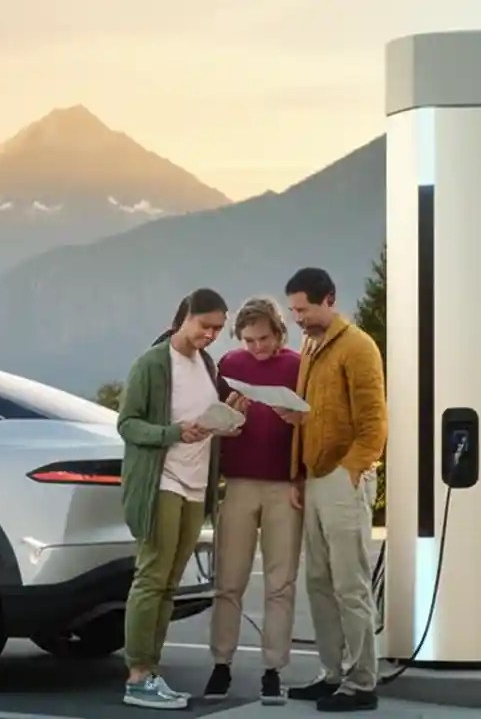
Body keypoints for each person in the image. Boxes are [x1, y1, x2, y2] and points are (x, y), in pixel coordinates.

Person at [117, 287, 230, 710]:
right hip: (162, 481)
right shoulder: (152, 363)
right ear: (184, 317)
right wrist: (172, 433)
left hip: (196, 485)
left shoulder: (206, 364)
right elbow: (127, 424)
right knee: (152, 577)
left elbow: (204, 418)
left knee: (169, 584)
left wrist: (227, 417)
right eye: (206, 326)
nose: (211, 335)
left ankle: (151, 671)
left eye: (218, 329)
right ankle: (137, 676)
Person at [280, 267, 387, 713]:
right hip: (313, 477)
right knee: (319, 583)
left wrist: (351, 472)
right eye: (293, 311)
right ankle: (332, 674)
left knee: (349, 583)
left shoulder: (358, 347)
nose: (297, 318)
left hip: (344, 478)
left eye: (303, 309)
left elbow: (374, 423)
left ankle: (362, 683)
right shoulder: (310, 347)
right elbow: (309, 416)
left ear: (329, 300)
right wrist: (297, 474)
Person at [201, 296, 303, 706]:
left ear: (279, 333)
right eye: (249, 340)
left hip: (284, 487)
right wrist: (226, 416)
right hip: (239, 484)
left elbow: (311, 424)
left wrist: (301, 477)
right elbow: (211, 423)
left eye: (264, 338)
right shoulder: (230, 365)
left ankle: (273, 670)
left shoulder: (298, 366)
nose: (257, 347)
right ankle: (220, 664)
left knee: (281, 582)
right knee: (229, 581)